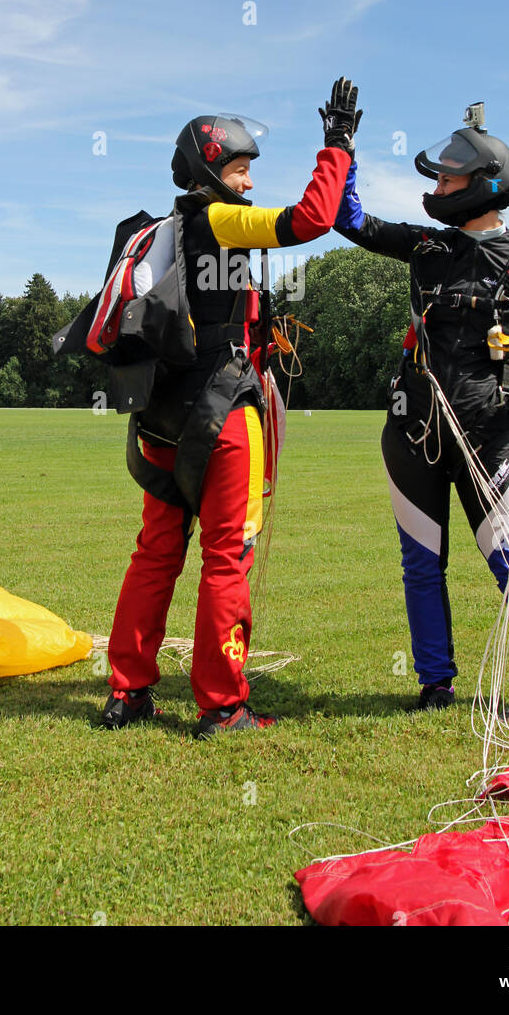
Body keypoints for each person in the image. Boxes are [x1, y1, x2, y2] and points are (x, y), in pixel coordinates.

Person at [102, 81, 358, 738]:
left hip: (159, 421)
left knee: (156, 552)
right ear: (211, 171)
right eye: (241, 169)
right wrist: (338, 148)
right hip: (220, 420)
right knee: (227, 557)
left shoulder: (159, 232)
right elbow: (310, 220)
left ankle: (127, 693)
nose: (247, 183)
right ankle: (223, 704)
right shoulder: (214, 219)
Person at [334, 105, 509, 724]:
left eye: (447, 181)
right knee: (421, 564)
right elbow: (349, 220)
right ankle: (434, 683)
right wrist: (341, 149)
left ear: (483, 184)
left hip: (494, 435)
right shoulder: (426, 247)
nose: (435, 190)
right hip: (415, 429)